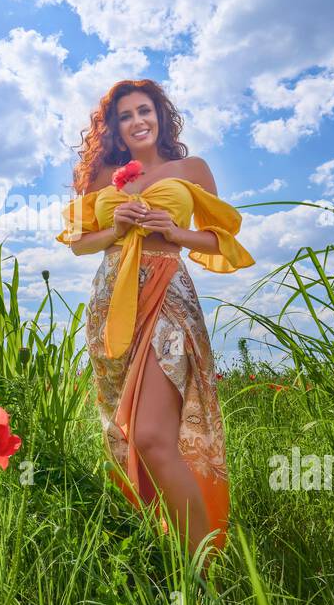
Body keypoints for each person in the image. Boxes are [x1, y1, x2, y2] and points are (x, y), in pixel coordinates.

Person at [57, 79, 254, 560]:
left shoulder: (190, 169)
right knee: (127, 438)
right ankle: (160, 551)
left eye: (144, 110)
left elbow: (222, 239)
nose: (137, 120)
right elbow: (80, 242)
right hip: (111, 301)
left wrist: (176, 232)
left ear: (161, 116)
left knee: (151, 434)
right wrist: (117, 227)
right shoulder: (105, 173)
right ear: (115, 129)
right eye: (125, 115)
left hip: (167, 295)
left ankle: (205, 573)